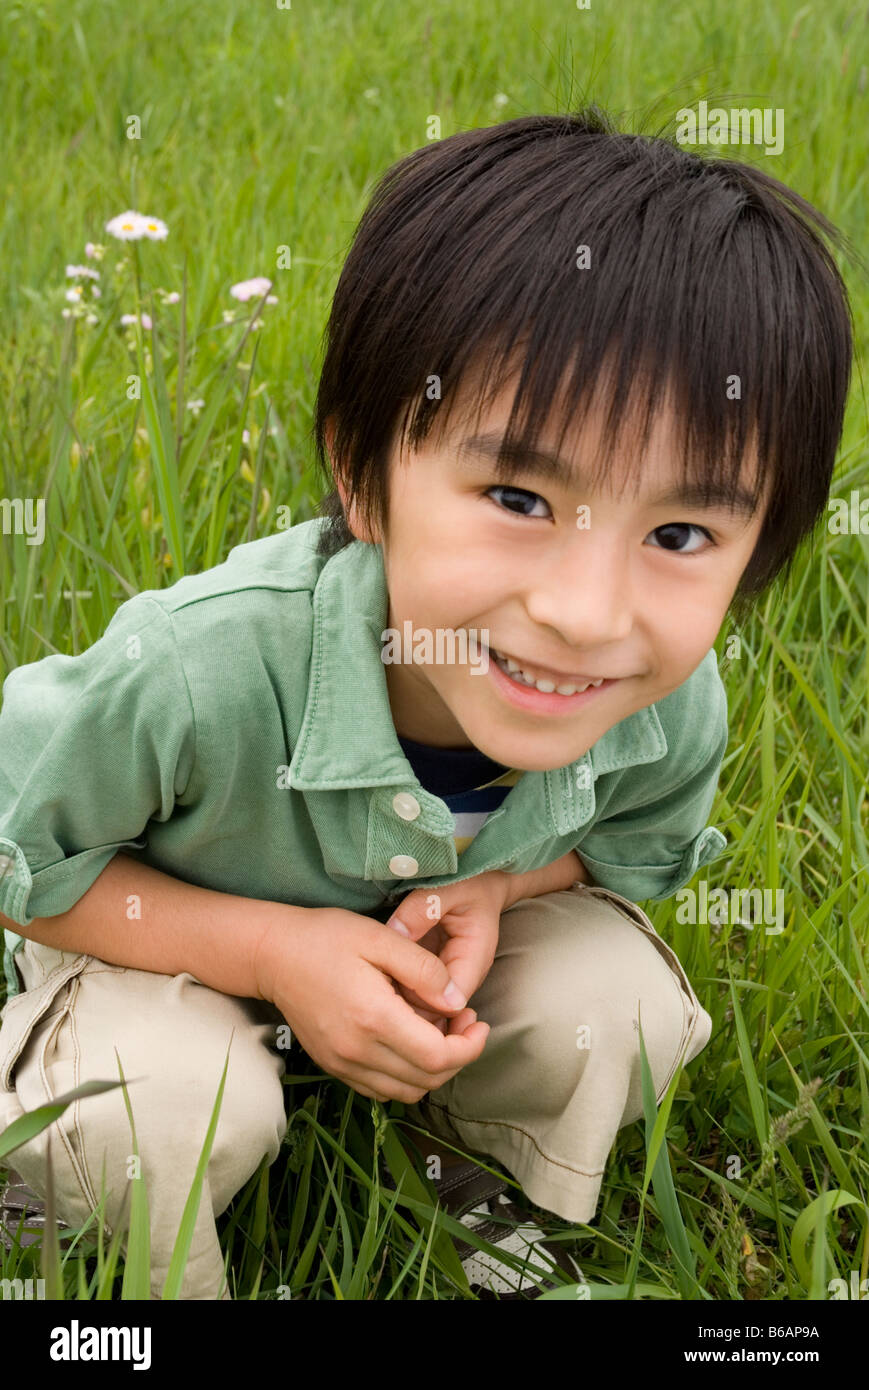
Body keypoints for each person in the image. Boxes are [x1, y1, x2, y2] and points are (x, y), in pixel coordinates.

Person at [0, 106, 855, 1300]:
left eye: (677, 531)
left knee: (610, 995)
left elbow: (617, 858)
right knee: (158, 1097)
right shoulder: (197, 667)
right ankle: (93, 1231)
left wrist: (500, 885)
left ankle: (469, 1166)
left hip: (412, 991)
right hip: (163, 978)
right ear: (360, 471)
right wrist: (271, 946)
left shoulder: (663, 703)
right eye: (515, 495)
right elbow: (26, 864)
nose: (585, 611)